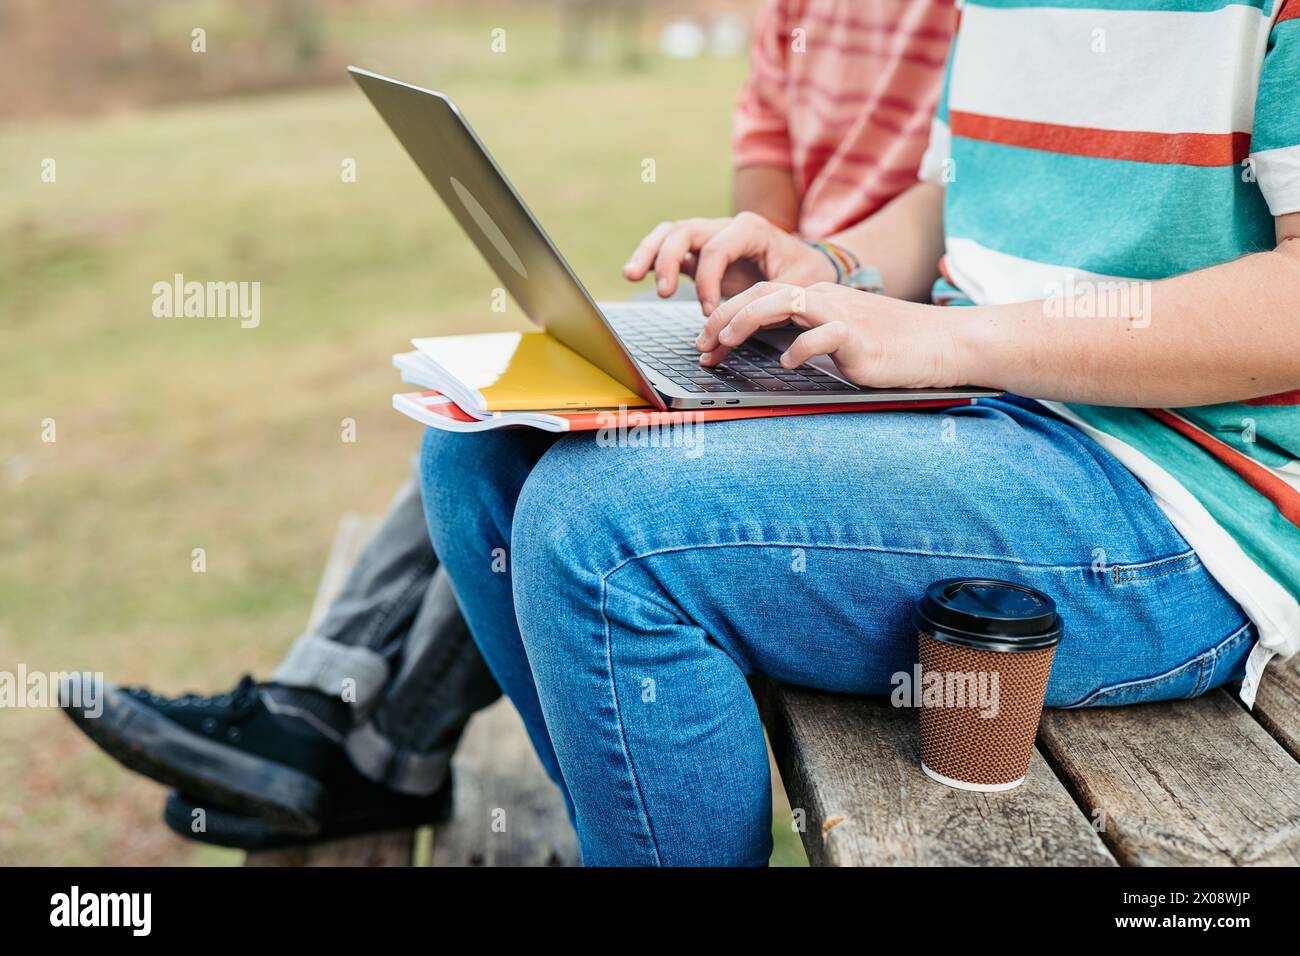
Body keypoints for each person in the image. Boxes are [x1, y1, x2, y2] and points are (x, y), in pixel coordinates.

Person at [416, 0, 1300, 865]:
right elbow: (950, 199)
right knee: (481, 446)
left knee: (599, 530)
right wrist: (829, 265)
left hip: (1173, 497)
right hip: (976, 406)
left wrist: (948, 339)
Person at [61, 0, 960, 848]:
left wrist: (837, 280)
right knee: (495, 421)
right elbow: (766, 156)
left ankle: (348, 734)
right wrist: (762, 273)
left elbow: (965, 216)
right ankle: (342, 724)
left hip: (897, 334)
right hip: (797, 310)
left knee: (565, 482)